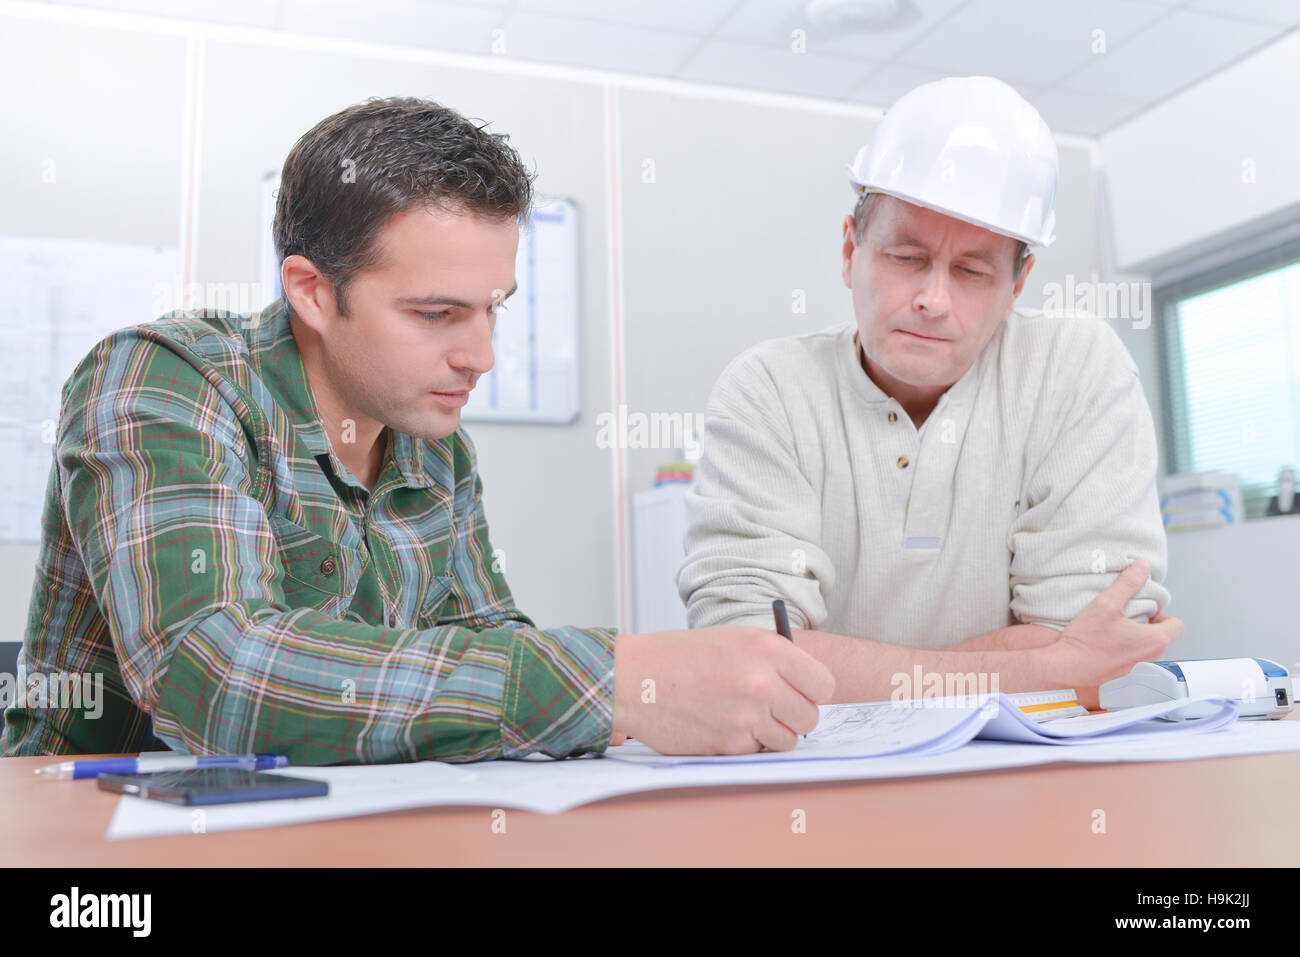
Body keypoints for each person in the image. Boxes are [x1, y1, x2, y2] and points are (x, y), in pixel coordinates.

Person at [2, 97, 836, 762]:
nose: (480, 356)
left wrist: (627, 696)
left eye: (492, 310)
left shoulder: (434, 444)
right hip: (89, 824)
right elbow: (217, 671)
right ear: (313, 292)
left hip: (338, 820)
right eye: (437, 313)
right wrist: (616, 681)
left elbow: (486, 637)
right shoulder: (166, 379)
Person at [678, 76, 1183, 710]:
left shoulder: (1076, 371)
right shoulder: (768, 392)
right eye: (907, 257)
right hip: (817, 791)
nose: (933, 300)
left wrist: (842, 668)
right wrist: (1046, 665)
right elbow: (745, 660)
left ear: (1018, 283)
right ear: (850, 249)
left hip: (1035, 783)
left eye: (972, 271)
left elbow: (1101, 668)